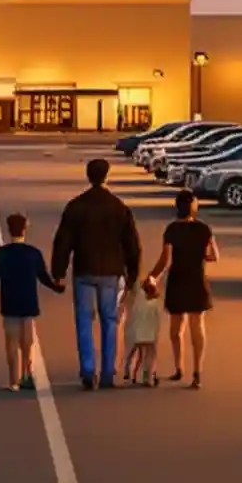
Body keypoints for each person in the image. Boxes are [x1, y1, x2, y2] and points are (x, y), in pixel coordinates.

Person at [52, 158, 142, 391]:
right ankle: (108, 372)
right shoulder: (119, 207)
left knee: (84, 319)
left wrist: (58, 272)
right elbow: (131, 244)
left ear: (88, 176)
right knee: (109, 320)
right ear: (106, 176)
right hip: (111, 271)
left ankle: (87, 369)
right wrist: (133, 274)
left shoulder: (76, 206)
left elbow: (63, 242)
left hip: (84, 269)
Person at [146, 189, 219, 390]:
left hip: (177, 280)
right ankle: (197, 372)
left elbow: (165, 261)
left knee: (176, 329)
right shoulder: (204, 229)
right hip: (197, 280)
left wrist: (152, 277)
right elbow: (214, 256)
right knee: (197, 327)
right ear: (193, 206)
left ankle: (179, 367)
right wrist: (203, 255)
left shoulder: (172, 230)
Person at [0, 212, 64, 392]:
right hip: (28, 303)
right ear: (25, 229)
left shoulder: (1, 254)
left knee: (11, 342)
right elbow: (43, 277)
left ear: (8, 230)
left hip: (9, 303)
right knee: (27, 342)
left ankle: (13, 380)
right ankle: (27, 375)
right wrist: (56, 287)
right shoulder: (33, 253)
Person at [121, 277, 161, 387]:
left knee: (132, 354)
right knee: (150, 355)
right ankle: (148, 377)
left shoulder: (137, 302)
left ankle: (128, 373)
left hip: (136, 334)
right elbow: (157, 321)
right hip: (150, 336)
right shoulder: (156, 304)